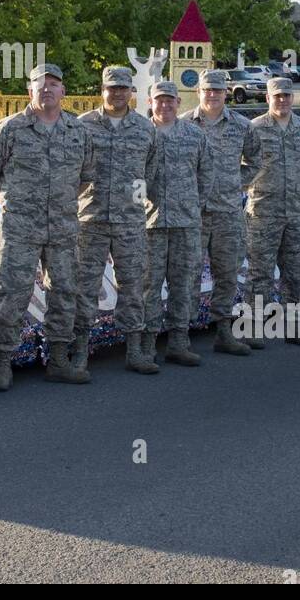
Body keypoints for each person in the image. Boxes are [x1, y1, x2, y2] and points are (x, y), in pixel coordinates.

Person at [0, 62, 95, 391]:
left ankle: (58, 359)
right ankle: (2, 364)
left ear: (63, 91)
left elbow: (86, 177)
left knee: (63, 293)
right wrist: (9, 205)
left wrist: (62, 204)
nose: (47, 89)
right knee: (11, 294)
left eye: (54, 84)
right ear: (30, 90)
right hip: (18, 229)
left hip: (62, 229)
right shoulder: (10, 128)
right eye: (39, 83)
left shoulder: (78, 131)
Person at [76, 65, 159, 374]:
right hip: (91, 219)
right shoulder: (82, 126)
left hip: (130, 221)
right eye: (112, 88)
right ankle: (80, 351)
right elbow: (73, 170)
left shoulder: (144, 128)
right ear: (103, 90)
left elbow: (150, 171)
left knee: (133, 285)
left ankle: (135, 351)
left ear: (131, 91)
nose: (118, 92)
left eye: (124, 88)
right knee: (85, 287)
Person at [182, 69, 256, 356]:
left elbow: (256, 158)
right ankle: (182, 335)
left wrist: (237, 181)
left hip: (227, 211)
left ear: (226, 92)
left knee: (227, 273)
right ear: (198, 92)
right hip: (193, 213)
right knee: (187, 273)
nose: (212, 94)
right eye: (207, 90)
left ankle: (223, 330)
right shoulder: (184, 124)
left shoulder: (241, 125)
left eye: (218, 90)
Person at [241, 76, 300, 346]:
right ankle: (252, 328)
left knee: (295, 273)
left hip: (296, 213)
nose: (282, 100)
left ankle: (294, 328)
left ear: (292, 98)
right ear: (267, 98)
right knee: (259, 273)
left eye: (286, 95)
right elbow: (244, 164)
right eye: (277, 96)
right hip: (263, 213)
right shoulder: (254, 129)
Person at [141, 81, 212, 369]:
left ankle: (179, 342)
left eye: (170, 100)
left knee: (184, 284)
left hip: (186, 222)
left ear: (178, 102)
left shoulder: (195, 135)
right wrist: (141, 205)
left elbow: (206, 176)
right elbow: (133, 177)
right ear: (150, 102)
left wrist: (193, 204)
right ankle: (146, 344)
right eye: (159, 100)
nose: (165, 105)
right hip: (151, 223)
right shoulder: (141, 134)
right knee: (149, 285)